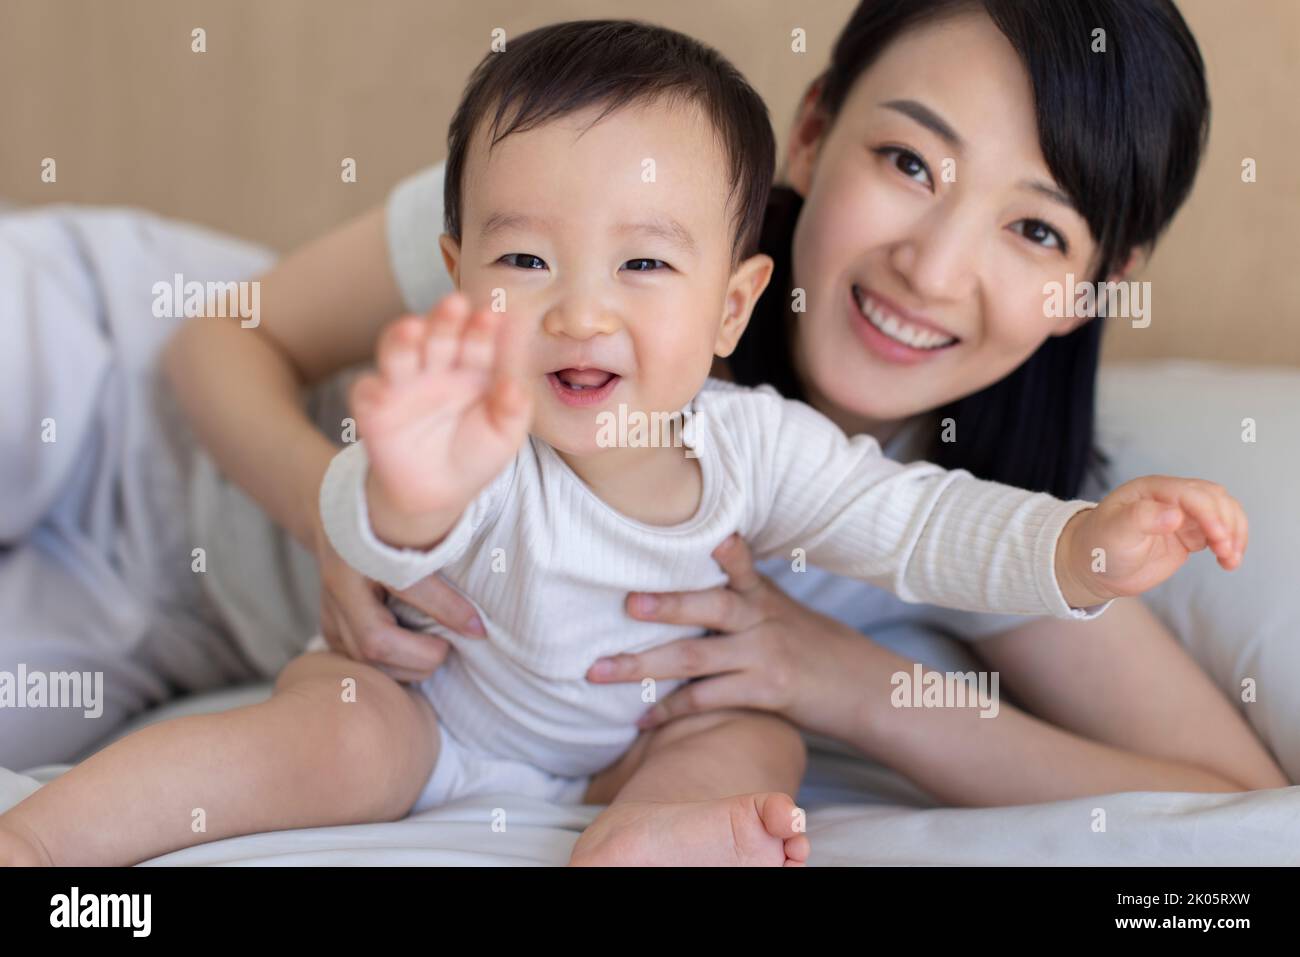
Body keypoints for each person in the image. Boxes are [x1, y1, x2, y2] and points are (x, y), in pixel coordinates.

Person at [0, 18, 1252, 868]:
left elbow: (1223, 801)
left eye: (1035, 230)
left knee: (742, 742)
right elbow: (226, 340)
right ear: (810, 135)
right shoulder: (576, 199)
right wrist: (362, 511)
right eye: (908, 159)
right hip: (125, 403)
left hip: (173, 629)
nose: (930, 264)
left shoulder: (826, 470)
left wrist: (873, 671)